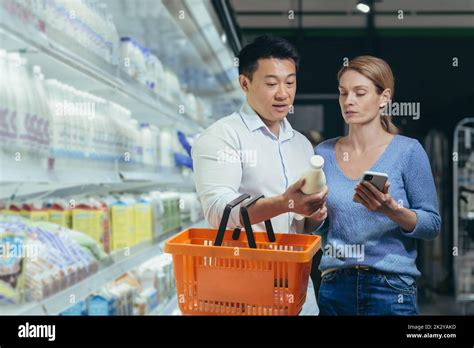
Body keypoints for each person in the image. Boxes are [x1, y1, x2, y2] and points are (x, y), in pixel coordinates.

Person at [192, 35, 327, 315]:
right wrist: (285, 202)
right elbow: (219, 211)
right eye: (271, 83)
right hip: (243, 290)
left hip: (298, 290)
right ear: (245, 83)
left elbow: (298, 224)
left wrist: (312, 217)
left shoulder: (301, 144)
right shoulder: (223, 137)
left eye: (290, 82)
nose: (283, 93)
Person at [315, 55, 441, 315]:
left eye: (360, 93)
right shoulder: (323, 153)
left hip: (391, 289)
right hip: (335, 286)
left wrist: (392, 210)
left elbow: (431, 225)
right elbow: (319, 227)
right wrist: (311, 214)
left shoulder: (408, 151)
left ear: (384, 98)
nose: (348, 101)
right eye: (343, 93)